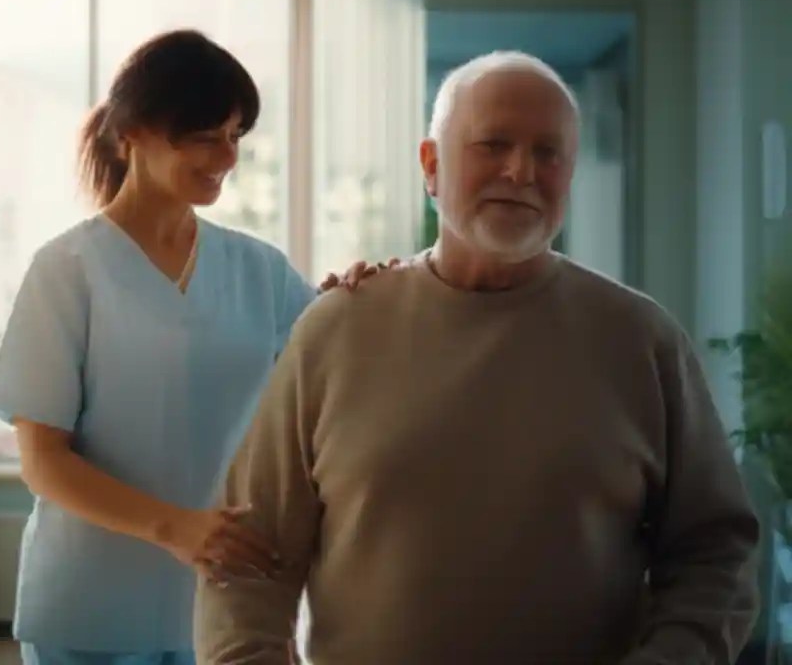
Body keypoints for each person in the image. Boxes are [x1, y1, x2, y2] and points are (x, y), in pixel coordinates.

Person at [194, 50, 761, 664]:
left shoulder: (642, 341)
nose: (521, 171)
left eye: (548, 153)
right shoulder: (335, 331)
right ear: (431, 166)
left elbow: (715, 554)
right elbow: (249, 558)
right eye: (493, 144)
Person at [0, 29, 387, 665]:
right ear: (132, 134)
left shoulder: (259, 270)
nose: (225, 156)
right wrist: (178, 528)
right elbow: (43, 461)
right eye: (204, 137)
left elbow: (337, 364)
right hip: (89, 612)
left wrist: (360, 293)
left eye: (234, 137)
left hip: (223, 603)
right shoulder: (68, 270)